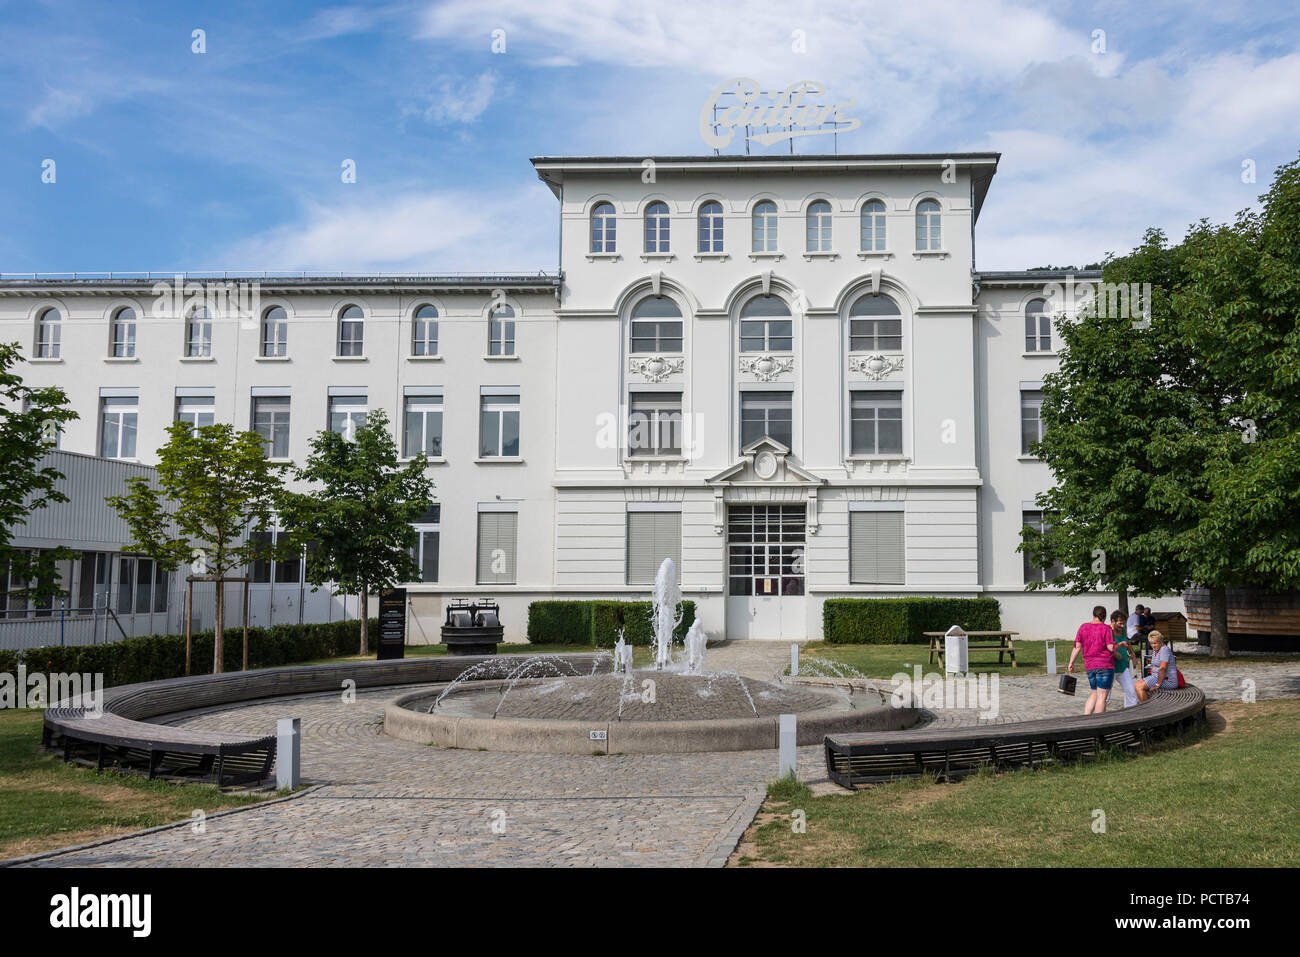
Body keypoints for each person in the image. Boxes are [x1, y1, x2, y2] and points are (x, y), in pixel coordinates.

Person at [1067, 605, 1116, 715]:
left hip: (1090, 666)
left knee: (1094, 693)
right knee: (1102, 696)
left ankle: (1086, 719)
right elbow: (1111, 648)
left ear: (1093, 615)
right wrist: (1118, 644)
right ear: (1105, 616)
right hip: (1104, 665)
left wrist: (1071, 663)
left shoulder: (1083, 627)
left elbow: (1077, 647)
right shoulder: (1106, 628)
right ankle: (1098, 725)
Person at [1135, 630, 1178, 701]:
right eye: (1151, 643)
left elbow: (1163, 668)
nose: (1153, 645)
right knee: (1136, 684)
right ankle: (1147, 705)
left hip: (1168, 680)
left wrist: (1157, 685)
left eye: (1155, 643)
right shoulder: (1156, 650)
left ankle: (1147, 708)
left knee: (1139, 687)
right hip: (1157, 677)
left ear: (1161, 642)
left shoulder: (1164, 650)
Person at [1110, 610, 1138, 707]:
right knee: (1105, 696)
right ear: (1113, 621)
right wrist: (1116, 651)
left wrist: (1133, 655)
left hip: (1123, 666)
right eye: (1120, 623)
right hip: (1110, 667)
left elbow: (1127, 641)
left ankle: (1131, 713)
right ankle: (1099, 716)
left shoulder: (1123, 630)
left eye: (1124, 623)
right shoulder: (1107, 631)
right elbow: (1107, 648)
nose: (1122, 626)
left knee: (1131, 691)